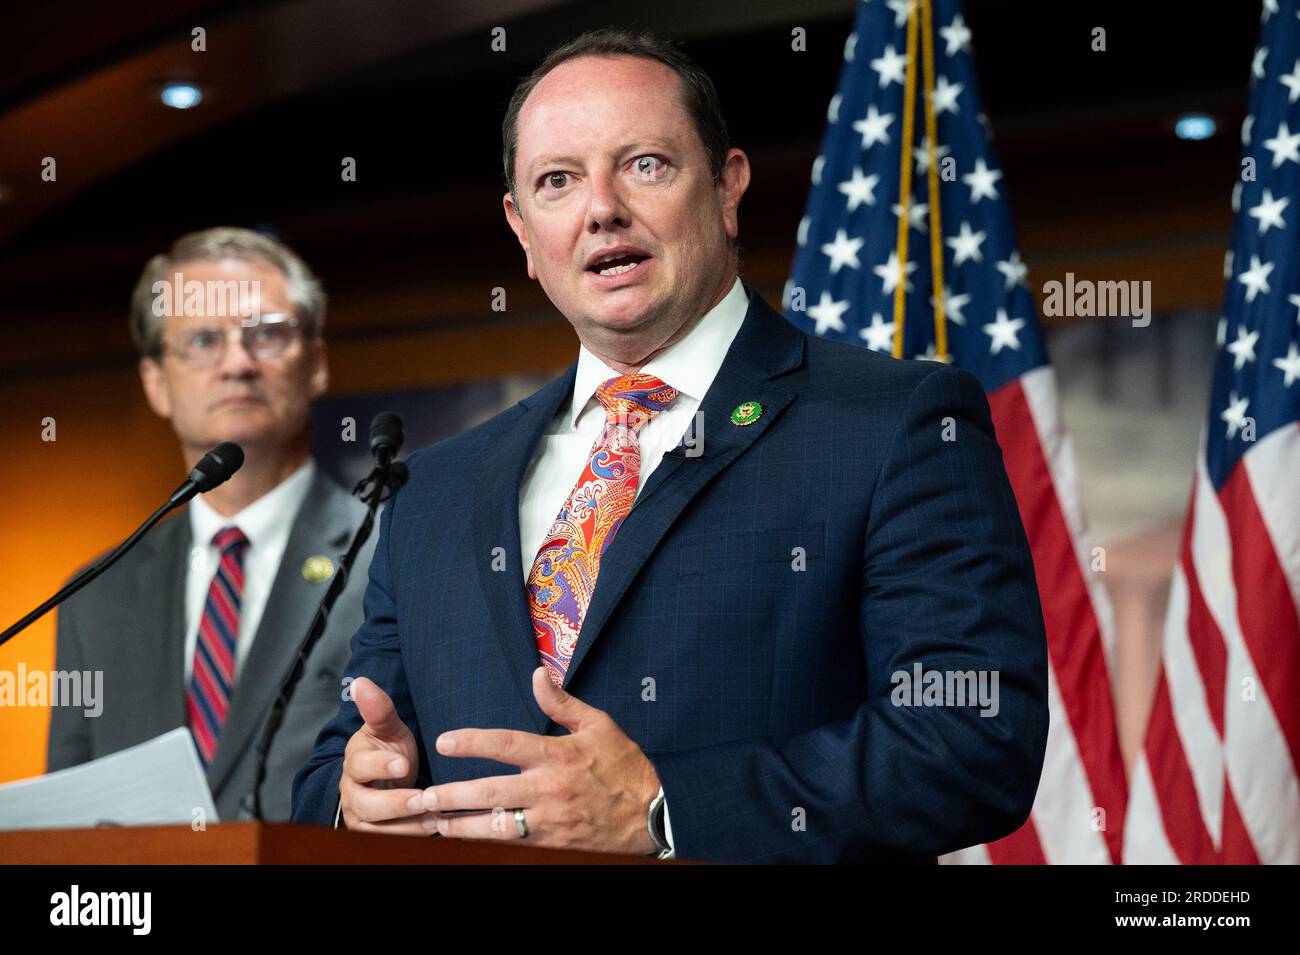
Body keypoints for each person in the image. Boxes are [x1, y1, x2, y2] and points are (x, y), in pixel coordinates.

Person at [292, 29, 1049, 863]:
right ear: (522, 232)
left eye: (644, 164)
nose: (602, 208)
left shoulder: (893, 422)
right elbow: (334, 765)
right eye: (557, 181)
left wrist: (666, 810)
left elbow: (973, 736)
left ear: (727, 186)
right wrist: (357, 799)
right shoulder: (434, 489)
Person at [48, 227, 374, 822]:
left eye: (266, 335)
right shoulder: (95, 594)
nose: (237, 364)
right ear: (155, 383)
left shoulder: (392, 553)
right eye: (203, 340)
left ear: (317, 363)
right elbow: (66, 824)